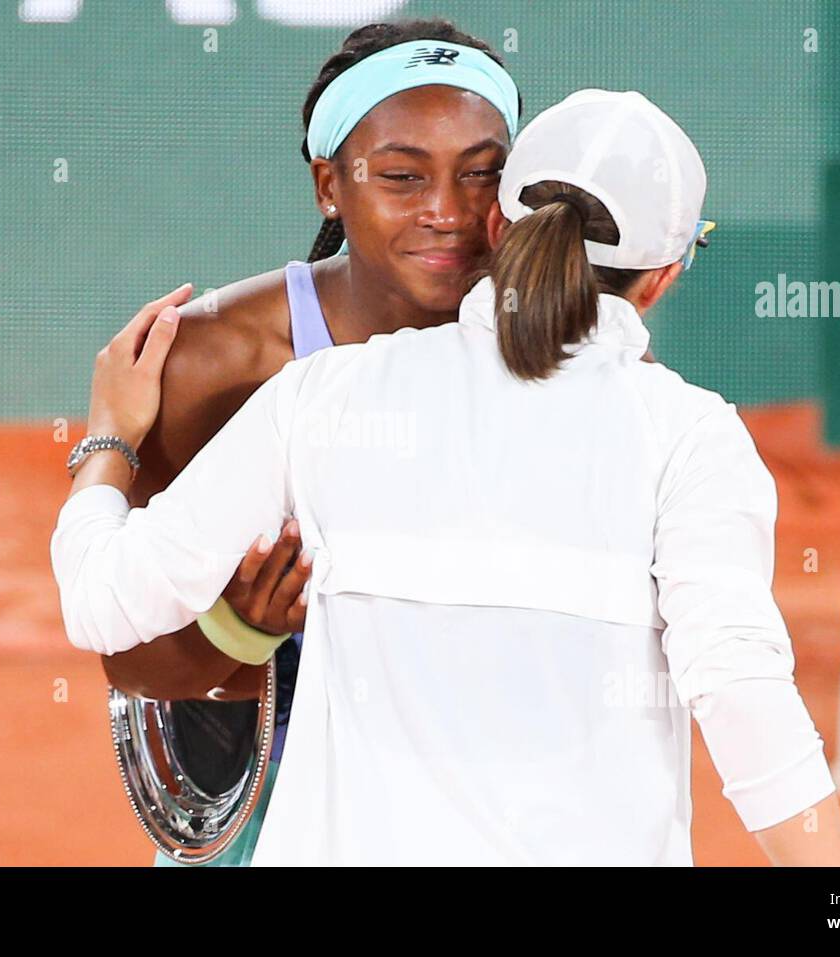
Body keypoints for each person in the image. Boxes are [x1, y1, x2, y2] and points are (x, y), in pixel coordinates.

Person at [52, 89, 840, 866]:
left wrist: (109, 441)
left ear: (497, 222)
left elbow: (104, 602)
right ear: (665, 274)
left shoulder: (324, 395)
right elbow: (742, 690)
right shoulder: (692, 436)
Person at [99, 19, 522, 866]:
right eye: (402, 177)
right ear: (330, 185)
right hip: (281, 817)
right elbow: (135, 664)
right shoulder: (221, 359)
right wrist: (240, 631)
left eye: (483, 177)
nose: (449, 212)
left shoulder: (562, 346)